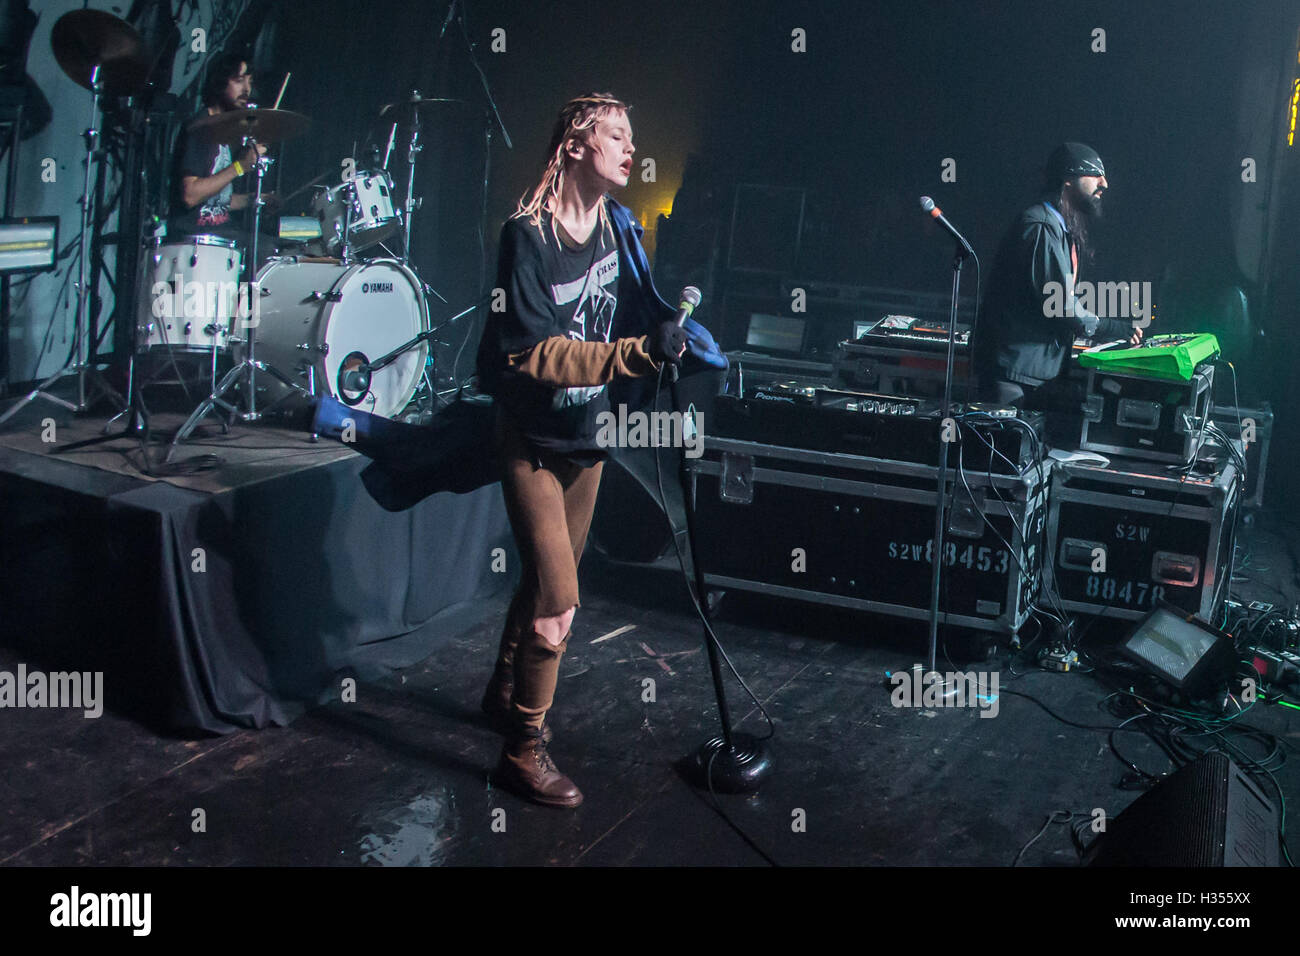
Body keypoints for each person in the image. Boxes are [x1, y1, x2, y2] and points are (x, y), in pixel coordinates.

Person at [474, 93, 695, 808]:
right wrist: (636, 354)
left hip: (587, 438)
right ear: (574, 146)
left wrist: (670, 335)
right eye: (616, 136)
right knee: (560, 605)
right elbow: (534, 354)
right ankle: (523, 747)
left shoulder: (616, 226)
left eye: (634, 136)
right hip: (534, 440)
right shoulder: (527, 237)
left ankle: (505, 686)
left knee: (546, 581)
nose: (632, 149)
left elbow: (636, 306)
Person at [973, 142, 1143, 408]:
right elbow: (1060, 304)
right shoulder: (1041, 226)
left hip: (1033, 372)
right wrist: (1112, 328)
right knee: (1007, 447)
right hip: (1015, 374)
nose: (1105, 183)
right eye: (1095, 174)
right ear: (1067, 179)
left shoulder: (1057, 226)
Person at [168, 51, 269, 238]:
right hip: (196, 238)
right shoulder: (201, 128)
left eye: (250, 81)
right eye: (239, 81)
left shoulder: (226, 132)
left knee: (287, 248)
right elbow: (191, 196)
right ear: (220, 82)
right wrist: (240, 166)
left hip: (222, 231)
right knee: (270, 251)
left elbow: (217, 201)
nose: (247, 89)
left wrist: (256, 200)